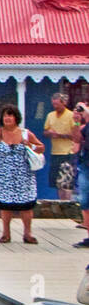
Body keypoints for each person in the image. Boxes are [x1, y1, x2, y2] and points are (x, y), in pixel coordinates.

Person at [0, 104, 44, 245]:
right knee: (6, 206)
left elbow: (41, 147)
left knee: (26, 206)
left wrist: (29, 145)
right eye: (5, 115)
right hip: (5, 175)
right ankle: (6, 233)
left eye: (10, 115)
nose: (7, 118)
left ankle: (27, 233)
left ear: (16, 117)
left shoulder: (26, 133)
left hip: (24, 175)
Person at [43, 92, 78, 202]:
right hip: (55, 152)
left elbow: (75, 135)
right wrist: (50, 133)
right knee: (57, 182)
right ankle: (61, 203)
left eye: (57, 104)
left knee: (66, 182)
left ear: (64, 103)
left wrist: (60, 135)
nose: (55, 106)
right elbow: (45, 131)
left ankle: (68, 204)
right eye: (53, 104)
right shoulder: (50, 115)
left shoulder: (71, 115)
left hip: (67, 152)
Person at [71, 102, 89, 249]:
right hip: (86, 166)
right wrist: (76, 121)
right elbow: (76, 140)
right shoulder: (85, 127)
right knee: (84, 200)